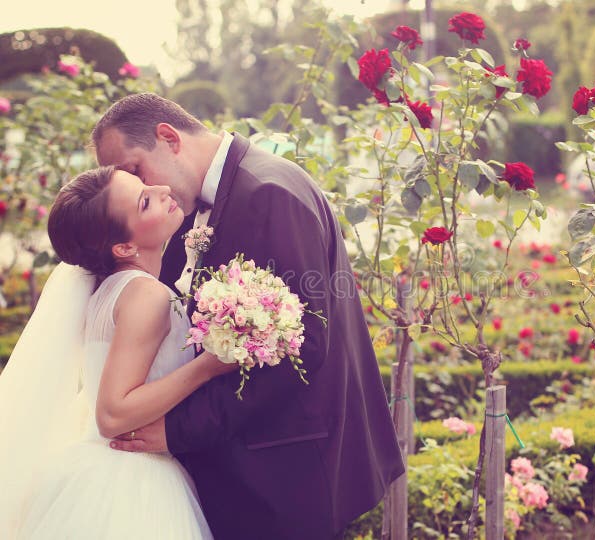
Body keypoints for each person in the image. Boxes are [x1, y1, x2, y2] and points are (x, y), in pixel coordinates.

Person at [92, 93, 405, 539]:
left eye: (135, 170)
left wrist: (177, 430)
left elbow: (301, 347)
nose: (144, 190)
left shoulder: (268, 194)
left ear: (168, 137)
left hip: (284, 474)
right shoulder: (193, 203)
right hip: (246, 468)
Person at [0, 166, 237, 538]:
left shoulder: (110, 290)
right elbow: (113, 413)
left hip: (97, 466)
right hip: (132, 483)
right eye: (145, 201)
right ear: (124, 247)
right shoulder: (146, 294)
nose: (162, 188)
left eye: (145, 187)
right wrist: (207, 367)